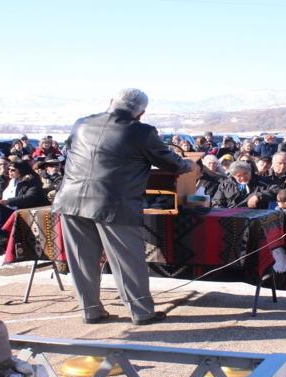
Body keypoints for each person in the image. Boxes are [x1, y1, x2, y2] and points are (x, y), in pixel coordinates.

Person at [52, 87, 194, 325]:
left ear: (111, 102)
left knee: (81, 259)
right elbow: (171, 163)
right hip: (113, 204)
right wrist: (188, 165)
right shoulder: (142, 132)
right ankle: (141, 312)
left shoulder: (82, 123)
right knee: (126, 259)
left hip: (70, 199)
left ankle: (91, 311)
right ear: (141, 113)